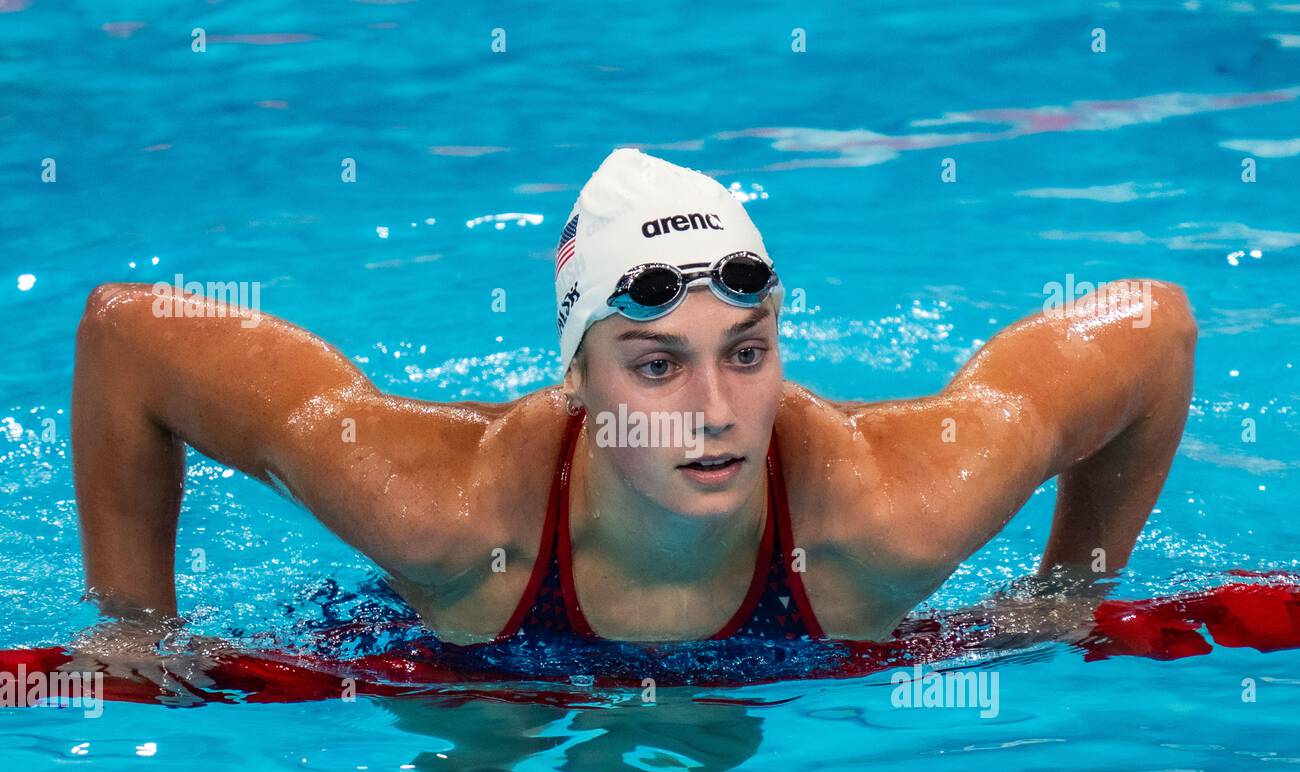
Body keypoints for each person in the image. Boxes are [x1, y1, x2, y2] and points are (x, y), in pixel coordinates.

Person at [71, 148, 1196, 650]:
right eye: (656, 363)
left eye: (746, 352)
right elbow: (128, 336)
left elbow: (1152, 325)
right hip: (483, 660)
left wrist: (1066, 588)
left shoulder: (892, 514)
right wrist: (137, 627)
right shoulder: (442, 509)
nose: (715, 408)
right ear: (577, 377)